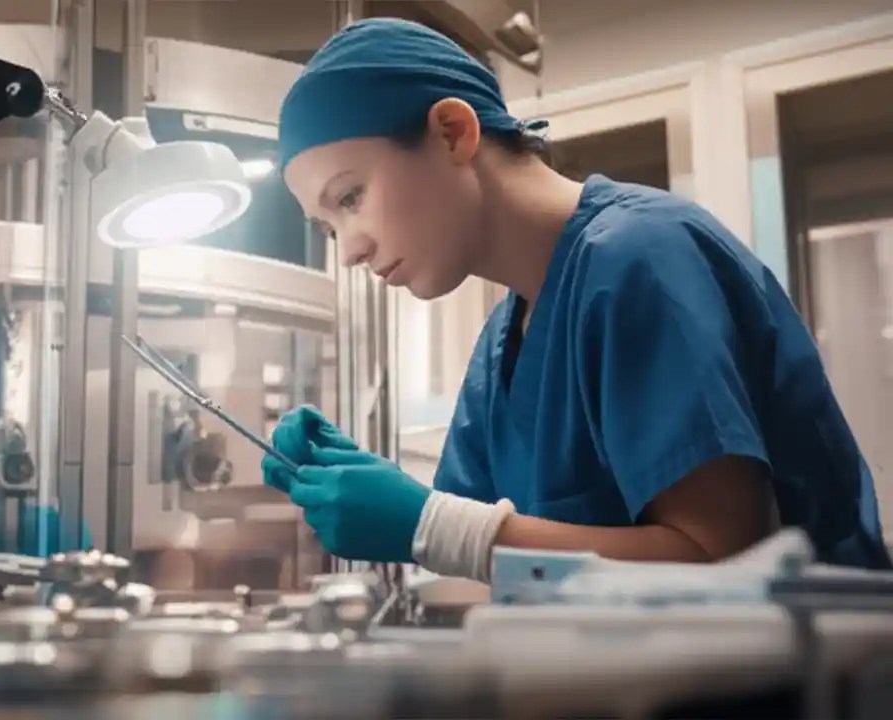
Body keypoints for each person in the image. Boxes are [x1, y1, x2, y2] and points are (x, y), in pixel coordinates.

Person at [260, 17, 890, 580]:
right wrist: (359, 486)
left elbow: (725, 563)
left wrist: (434, 526)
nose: (349, 250)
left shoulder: (639, 258)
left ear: (452, 132)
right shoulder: (502, 343)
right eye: (328, 229)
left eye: (350, 198)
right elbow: (484, 545)